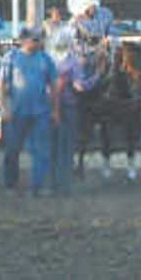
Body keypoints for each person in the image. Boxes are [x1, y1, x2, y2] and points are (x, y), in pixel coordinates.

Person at [0, 27, 59, 196]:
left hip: (41, 111)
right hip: (16, 112)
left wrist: (55, 110)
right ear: (24, 40)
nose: (38, 42)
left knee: (42, 150)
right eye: (35, 39)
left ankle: (39, 185)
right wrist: (4, 108)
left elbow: (54, 86)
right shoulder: (10, 58)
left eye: (39, 39)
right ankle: (10, 184)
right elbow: (1, 85)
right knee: (12, 149)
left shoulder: (46, 59)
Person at [51, 26, 95, 194]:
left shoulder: (49, 60)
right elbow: (80, 87)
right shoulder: (74, 63)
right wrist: (97, 76)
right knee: (67, 144)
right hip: (69, 106)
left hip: (50, 105)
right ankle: (64, 183)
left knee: (53, 144)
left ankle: (53, 181)